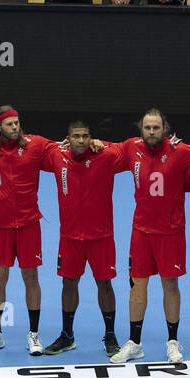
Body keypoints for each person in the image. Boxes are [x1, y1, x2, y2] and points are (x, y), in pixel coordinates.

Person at [110, 109, 190, 365]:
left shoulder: (181, 152)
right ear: (141, 129)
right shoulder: (131, 148)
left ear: (165, 129)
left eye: (156, 128)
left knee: (170, 285)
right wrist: (94, 143)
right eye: (147, 128)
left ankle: (172, 341)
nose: (151, 132)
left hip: (170, 233)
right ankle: (134, 343)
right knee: (137, 286)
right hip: (141, 232)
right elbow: (107, 151)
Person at [39, 120, 129, 357]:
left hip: (101, 237)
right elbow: (29, 149)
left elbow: (129, 149)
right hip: (69, 237)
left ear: (91, 138)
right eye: (76, 136)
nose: (81, 141)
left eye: (86, 136)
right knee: (68, 283)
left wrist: (104, 143)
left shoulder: (105, 155)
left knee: (104, 284)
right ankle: (67, 336)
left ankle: (110, 335)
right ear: (68, 139)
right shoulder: (57, 156)